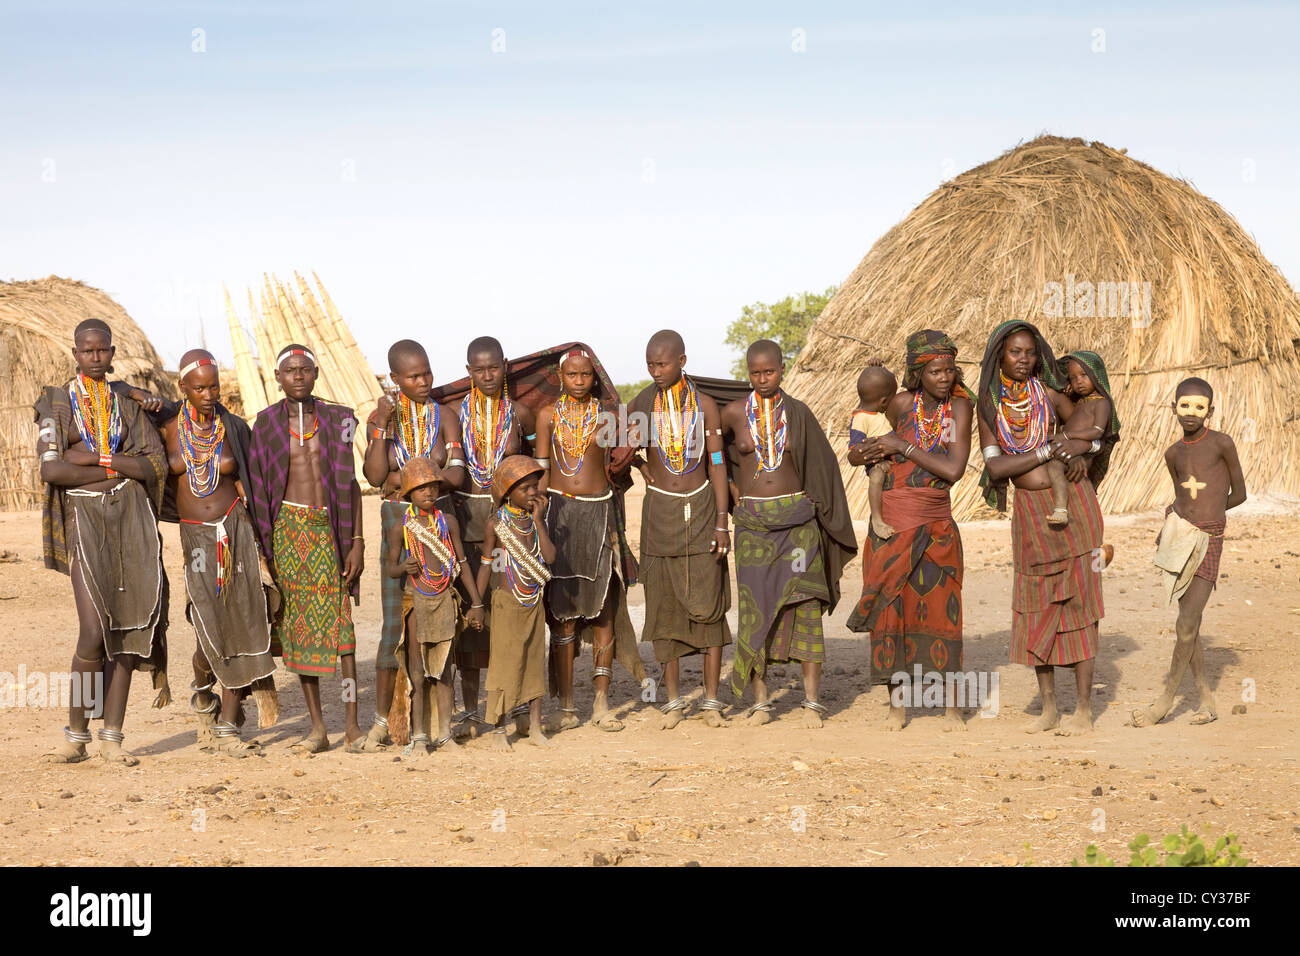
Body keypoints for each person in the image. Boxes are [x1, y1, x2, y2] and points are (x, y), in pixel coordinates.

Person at [36, 318, 170, 766]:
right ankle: (76, 735)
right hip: (83, 518)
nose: (95, 358)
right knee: (93, 631)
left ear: (112, 353)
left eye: (102, 351)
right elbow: (52, 471)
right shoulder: (55, 404)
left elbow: (153, 465)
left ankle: (112, 737)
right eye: (87, 351)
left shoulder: (127, 404)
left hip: (132, 517)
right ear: (75, 354)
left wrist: (95, 457)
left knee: (128, 628)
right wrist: (117, 465)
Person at [976, 321, 1106, 736]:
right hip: (1031, 513)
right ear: (1000, 355)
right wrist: (1048, 448)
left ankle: (1083, 710)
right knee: (1036, 607)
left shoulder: (1050, 394)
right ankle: (1049, 709)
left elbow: (1091, 429)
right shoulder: (989, 406)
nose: (1024, 360)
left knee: (1082, 606)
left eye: (1030, 352)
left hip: (1075, 505)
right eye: (1015, 352)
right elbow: (997, 466)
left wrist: (1086, 449)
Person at [721, 340, 857, 727]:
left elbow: (824, 466)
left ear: (783, 368)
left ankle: (812, 703)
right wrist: (732, 495)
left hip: (798, 528)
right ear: (747, 372)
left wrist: (821, 514)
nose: (763, 380)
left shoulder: (798, 413)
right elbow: (714, 458)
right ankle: (762, 703)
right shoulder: (732, 414)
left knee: (807, 607)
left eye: (770, 372)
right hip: (753, 530)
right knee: (754, 611)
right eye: (755, 373)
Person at [846, 330, 974, 730]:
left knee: (942, 613)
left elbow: (952, 469)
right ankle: (897, 706)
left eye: (950, 369)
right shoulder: (901, 405)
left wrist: (902, 447)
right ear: (918, 373)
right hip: (890, 525)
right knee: (889, 614)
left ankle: (952, 707)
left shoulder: (958, 411)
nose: (944, 377)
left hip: (935, 525)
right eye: (936, 370)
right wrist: (865, 450)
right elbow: (861, 442)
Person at [247, 344, 364, 754]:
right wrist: (265, 551)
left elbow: (349, 484)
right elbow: (259, 491)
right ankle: (317, 728)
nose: (298, 376)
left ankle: (351, 724)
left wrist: (357, 542)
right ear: (278, 378)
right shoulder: (263, 426)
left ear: (316, 373)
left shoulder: (342, 419)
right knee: (299, 633)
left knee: (343, 635)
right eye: (289, 371)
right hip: (288, 534)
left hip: (332, 531)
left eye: (305, 370)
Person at [161, 350, 278, 755]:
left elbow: (249, 479)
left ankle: (228, 725)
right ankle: (202, 692)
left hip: (236, 529)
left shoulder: (233, 427)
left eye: (214, 386)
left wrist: (263, 540)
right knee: (206, 621)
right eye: (200, 388)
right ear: (184, 389)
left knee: (241, 617)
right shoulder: (166, 428)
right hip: (196, 539)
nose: (209, 394)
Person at [360, 339, 465, 751]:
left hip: (438, 519)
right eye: (414, 376)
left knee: (439, 620)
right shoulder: (379, 418)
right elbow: (373, 475)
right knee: (394, 627)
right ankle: (383, 721)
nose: (424, 381)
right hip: (397, 522)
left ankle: (440, 724)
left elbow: (456, 476)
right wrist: (384, 429)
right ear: (395, 378)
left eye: (427, 373)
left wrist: (412, 478)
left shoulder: (445, 417)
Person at [535, 348, 643, 732]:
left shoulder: (609, 418)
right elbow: (541, 474)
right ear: (560, 377)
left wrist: (633, 447)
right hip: (560, 515)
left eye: (585, 375)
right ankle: (566, 706)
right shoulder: (547, 416)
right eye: (572, 375)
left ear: (594, 377)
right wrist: (538, 520)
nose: (579, 381)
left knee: (602, 612)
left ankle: (600, 702)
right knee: (562, 616)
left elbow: (627, 459)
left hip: (600, 514)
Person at [628, 330, 732, 729]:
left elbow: (718, 464)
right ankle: (672, 701)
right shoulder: (641, 404)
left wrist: (723, 523)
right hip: (659, 513)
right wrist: (639, 462)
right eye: (650, 364)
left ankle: (710, 702)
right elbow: (615, 454)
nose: (655, 371)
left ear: (682, 362)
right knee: (664, 602)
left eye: (663, 364)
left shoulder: (705, 407)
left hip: (704, 508)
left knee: (710, 603)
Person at [1133, 377, 1245, 728]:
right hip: (1180, 538)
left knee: (1185, 622)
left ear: (1210, 410)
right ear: (1174, 408)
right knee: (1189, 624)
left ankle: (1164, 701)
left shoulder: (1222, 444)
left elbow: (1240, 493)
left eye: (1199, 407)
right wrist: (1173, 525)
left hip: (1209, 539)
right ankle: (1206, 698)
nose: (1191, 413)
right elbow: (1181, 496)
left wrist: (1211, 519)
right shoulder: (1173, 453)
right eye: (1185, 406)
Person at [451, 336, 537, 736]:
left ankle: (516, 705)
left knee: (512, 613)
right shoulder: (454, 415)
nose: (487, 376)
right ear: (468, 371)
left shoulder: (521, 414)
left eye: (493, 368)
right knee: (474, 613)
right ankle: (471, 710)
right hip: (468, 519)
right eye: (478, 369)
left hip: (513, 524)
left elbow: (536, 471)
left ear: (505, 366)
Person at [385, 457, 485, 755]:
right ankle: (418, 737)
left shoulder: (447, 521)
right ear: (408, 493)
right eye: (420, 488)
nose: (427, 493)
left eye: (432, 487)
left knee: (443, 668)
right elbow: (390, 568)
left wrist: (476, 603)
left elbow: (463, 563)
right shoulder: (401, 527)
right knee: (417, 670)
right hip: (415, 600)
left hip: (444, 598)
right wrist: (403, 566)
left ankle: (444, 734)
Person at [477, 455, 557, 749]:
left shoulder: (536, 522)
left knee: (535, 662)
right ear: (507, 492)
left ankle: (535, 727)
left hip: (533, 600)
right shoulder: (495, 525)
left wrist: (539, 521)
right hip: (505, 603)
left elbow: (549, 558)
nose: (533, 493)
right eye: (525, 489)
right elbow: (486, 564)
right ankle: (499, 729)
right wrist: (476, 604)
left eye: (535, 487)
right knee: (503, 665)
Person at [1043, 352, 1118, 527]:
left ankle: (1061, 509)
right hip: (1067, 447)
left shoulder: (1102, 403)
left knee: (1054, 466)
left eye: (1084, 375)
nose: (1078, 382)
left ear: (1096, 375)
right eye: (1073, 378)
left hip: (1082, 452)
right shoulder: (1080, 401)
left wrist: (1068, 436)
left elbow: (1097, 432)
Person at [850, 366, 900, 540]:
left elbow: (881, 380)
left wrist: (878, 367)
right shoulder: (860, 418)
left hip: (894, 457)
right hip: (876, 463)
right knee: (877, 477)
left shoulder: (879, 413)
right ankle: (877, 520)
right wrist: (878, 457)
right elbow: (856, 448)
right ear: (884, 401)